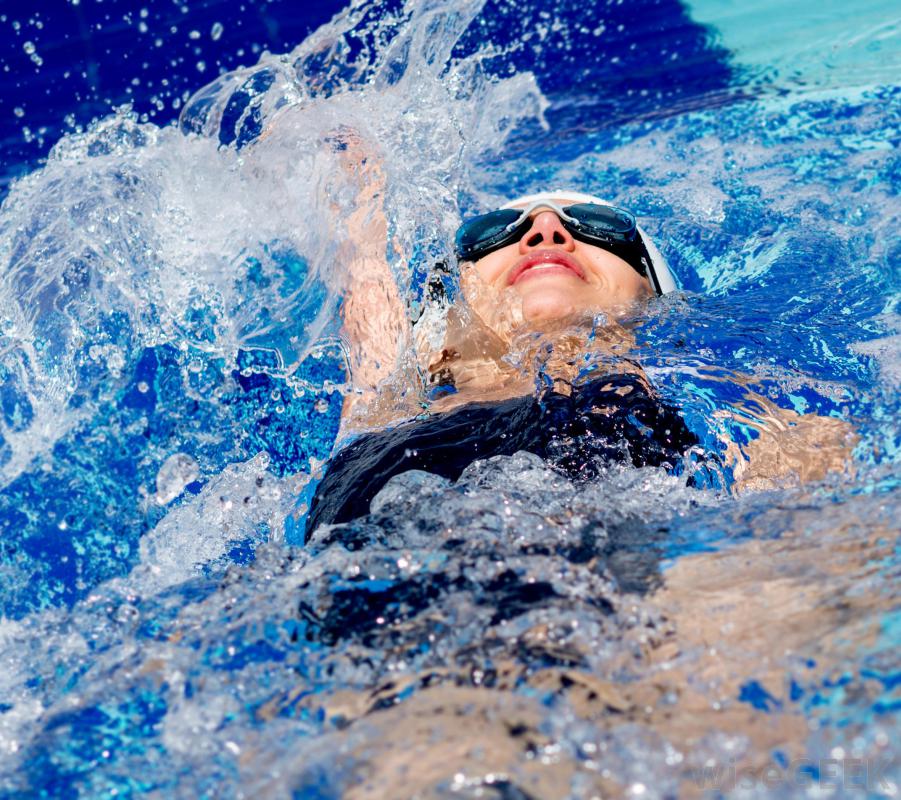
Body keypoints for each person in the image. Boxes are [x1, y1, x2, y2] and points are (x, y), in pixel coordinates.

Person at [303, 151, 856, 536]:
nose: (545, 229)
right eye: (495, 231)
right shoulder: (385, 409)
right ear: (445, 319)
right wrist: (359, 219)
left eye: (596, 224)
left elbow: (812, 538)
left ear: (655, 295)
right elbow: (370, 317)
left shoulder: (717, 397)